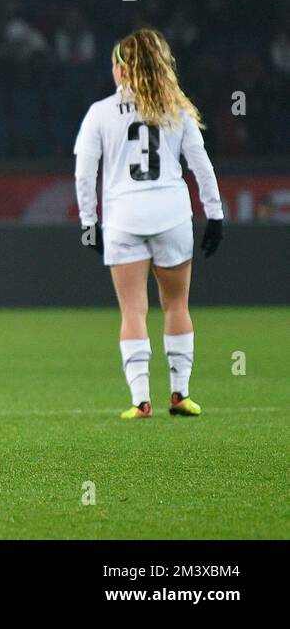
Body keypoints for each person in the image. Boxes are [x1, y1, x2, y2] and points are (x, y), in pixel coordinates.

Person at [73, 28, 223, 419]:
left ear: (123, 71)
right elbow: (201, 166)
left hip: (123, 217)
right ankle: (180, 394)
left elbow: (84, 173)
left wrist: (89, 221)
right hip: (172, 215)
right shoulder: (177, 110)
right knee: (176, 305)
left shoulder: (100, 113)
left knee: (133, 311)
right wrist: (216, 214)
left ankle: (141, 401)